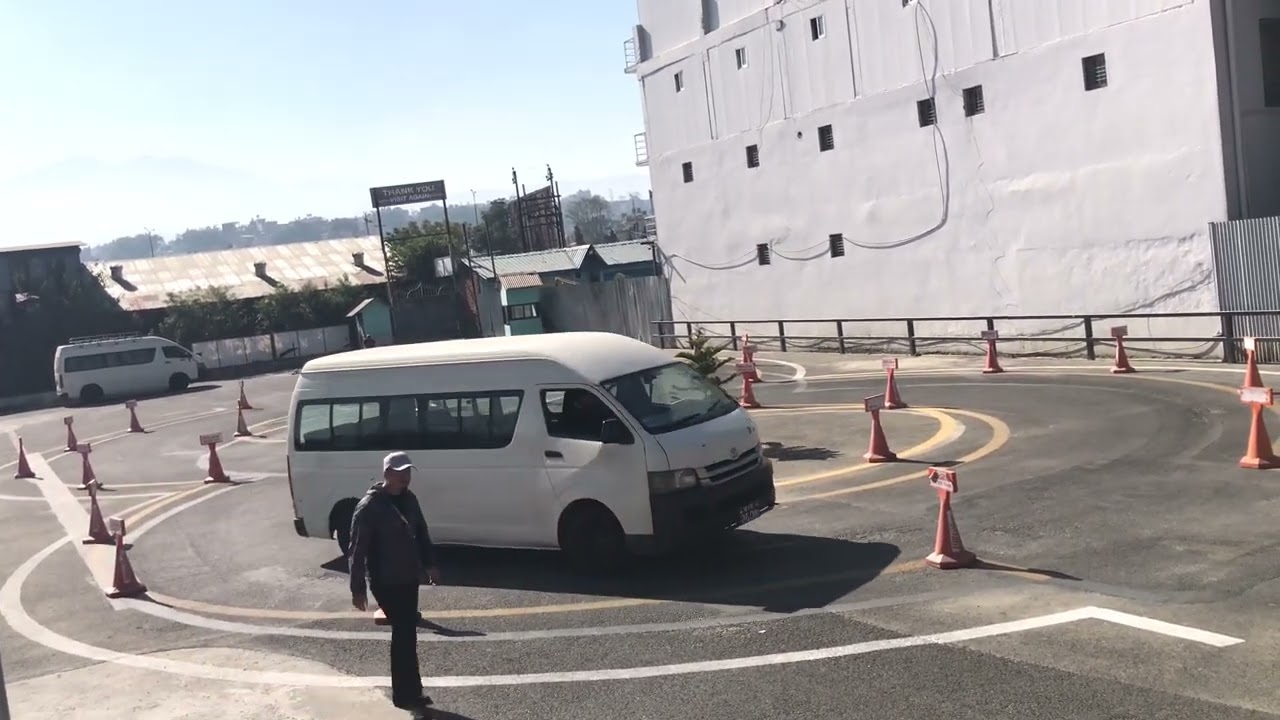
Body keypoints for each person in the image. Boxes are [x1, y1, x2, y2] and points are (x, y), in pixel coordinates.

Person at [348, 451, 441, 715]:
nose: (405, 478)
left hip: (408, 576)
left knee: (407, 632)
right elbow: (357, 549)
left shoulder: (410, 500)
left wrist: (431, 564)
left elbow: (421, 533)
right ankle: (403, 694)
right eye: (400, 473)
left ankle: (412, 691)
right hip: (385, 580)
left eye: (408, 472)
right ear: (387, 474)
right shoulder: (369, 507)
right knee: (403, 632)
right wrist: (357, 588)